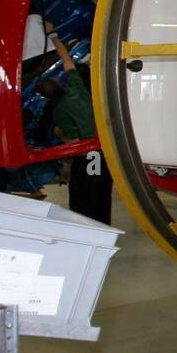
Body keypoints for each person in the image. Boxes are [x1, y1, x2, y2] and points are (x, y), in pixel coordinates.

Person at [37, 22, 113, 224]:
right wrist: (52, 35)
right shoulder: (76, 87)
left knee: (83, 202)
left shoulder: (60, 111)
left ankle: (87, 231)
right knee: (102, 197)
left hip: (87, 157)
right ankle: (103, 231)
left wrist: (58, 133)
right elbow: (67, 60)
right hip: (104, 152)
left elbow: (73, 142)